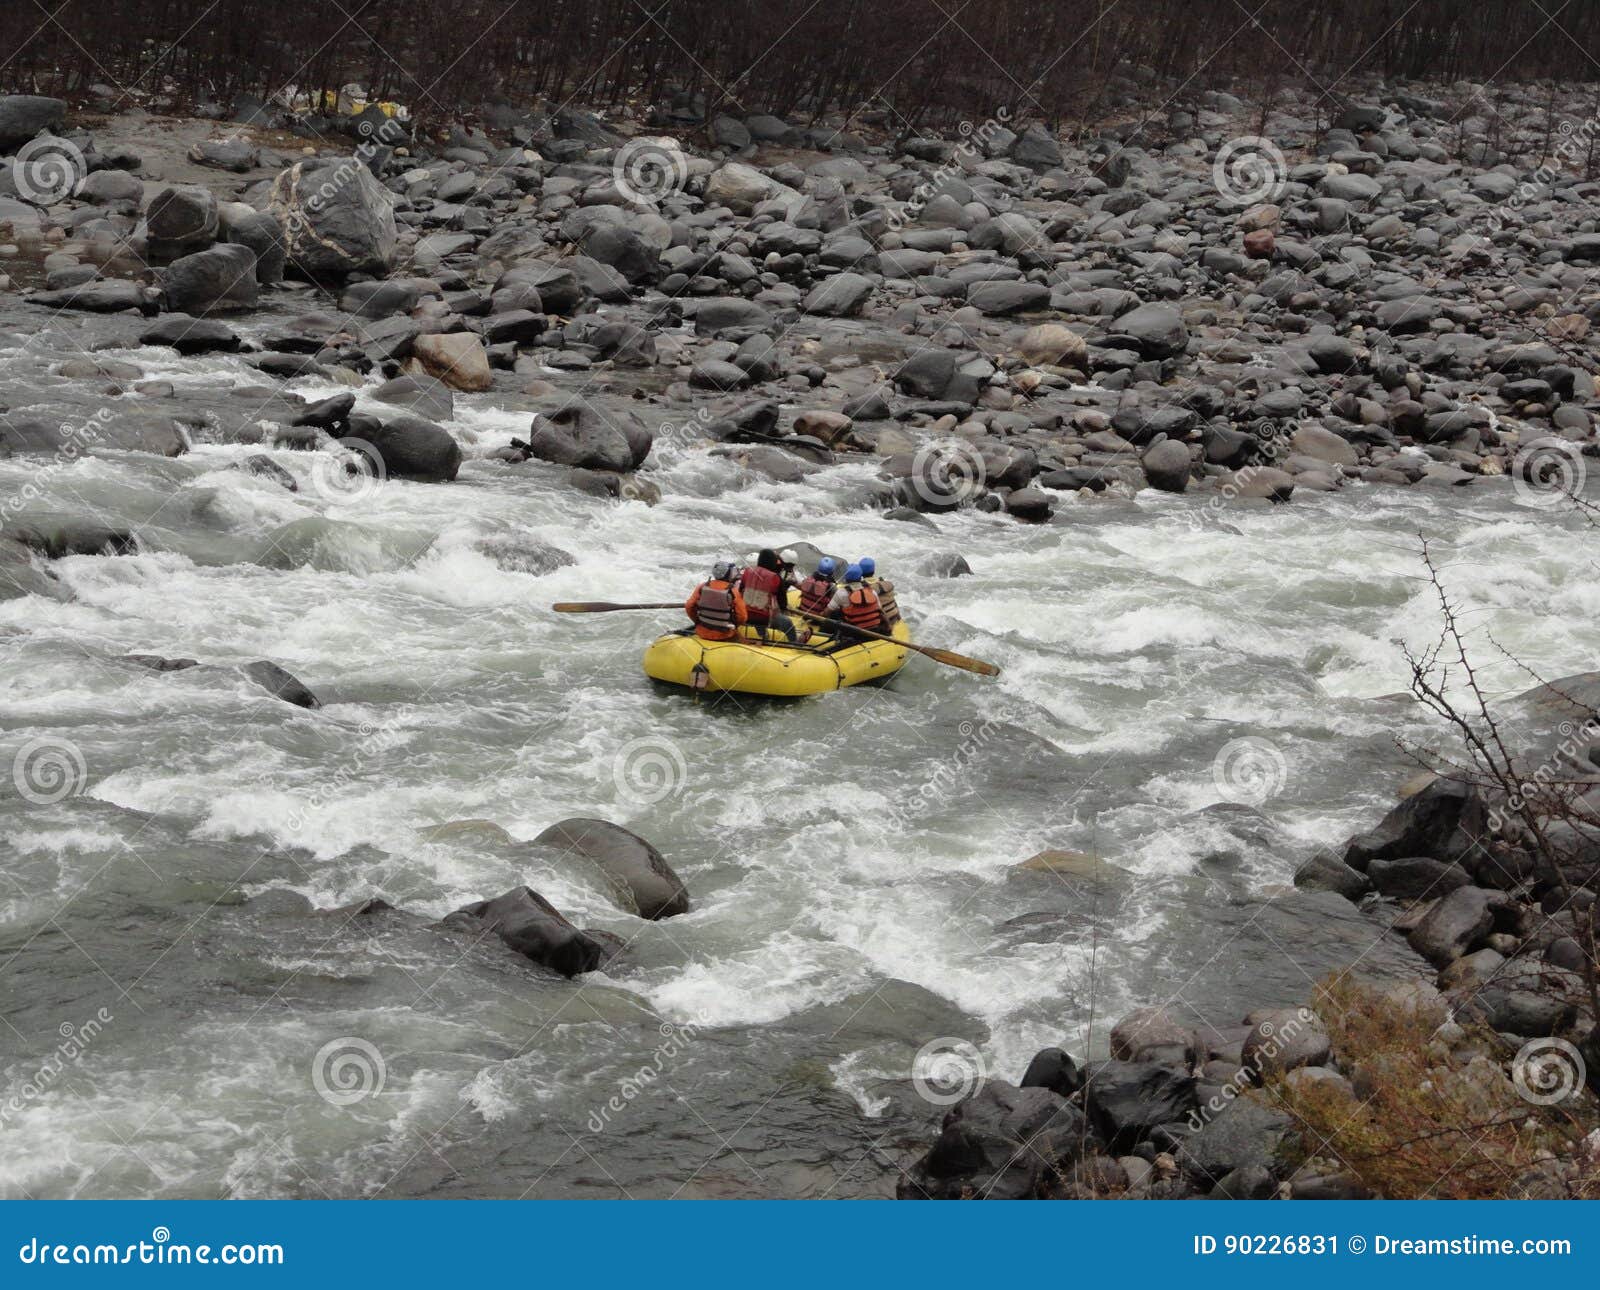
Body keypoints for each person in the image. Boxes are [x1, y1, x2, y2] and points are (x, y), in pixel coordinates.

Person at [738, 548, 798, 642]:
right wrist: (782, 610)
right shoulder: (776, 578)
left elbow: (740, 591)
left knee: (756, 610)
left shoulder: (747, 572)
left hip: (744, 614)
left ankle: (763, 635)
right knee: (787, 623)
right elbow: (783, 604)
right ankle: (795, 644)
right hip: (764, 619)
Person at [685, 558, 748, 640]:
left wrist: (697, 621)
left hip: (701, 631)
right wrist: (735, 625)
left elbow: (689, 606)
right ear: (728, 574)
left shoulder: (702, 586)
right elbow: (742, 617)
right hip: (725, 634)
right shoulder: (733, 591)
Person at [828, 563, 885, 643]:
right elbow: (880, 611)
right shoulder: (871, 591)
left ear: (846, 577)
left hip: (854, 632)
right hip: (874, 629)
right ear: (860, 577)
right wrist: (888, 627)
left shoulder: (841, 593)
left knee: (835, 613)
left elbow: (827, 612)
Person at [857, 556, 901, 626]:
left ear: (861, 572)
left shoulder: (862, 589)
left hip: (882, 623)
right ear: (874, 570)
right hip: (895, 617)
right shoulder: (885, 583)